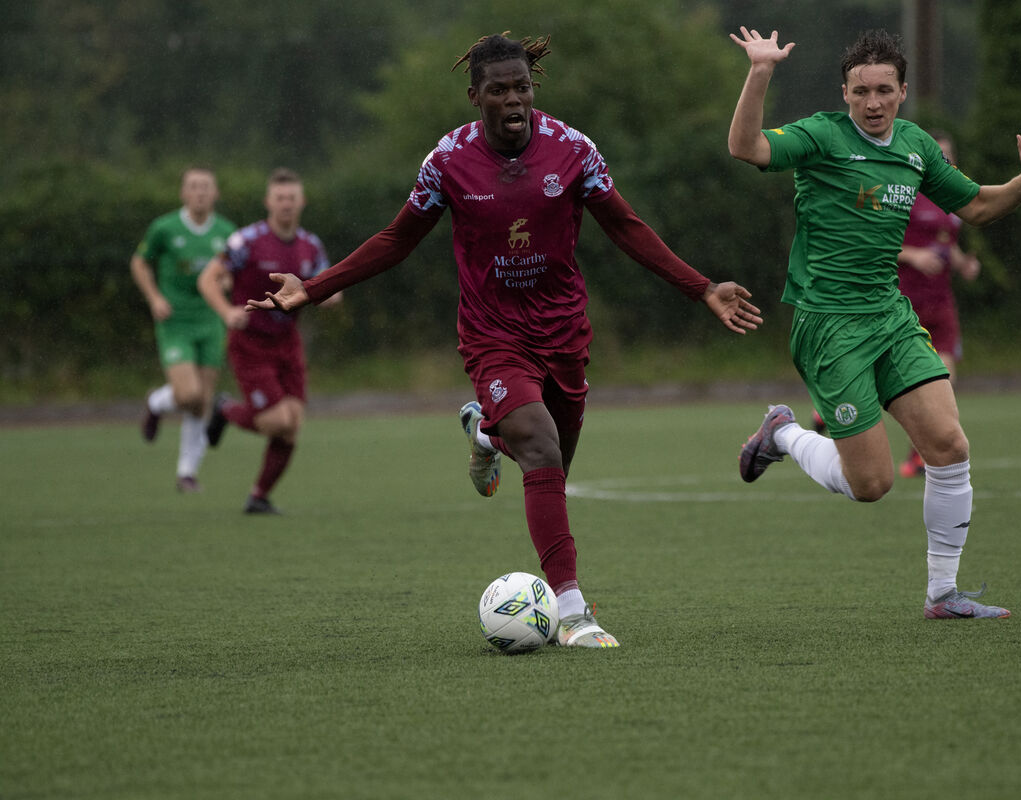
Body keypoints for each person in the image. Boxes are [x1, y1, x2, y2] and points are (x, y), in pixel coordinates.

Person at [244, 33, 763, 647]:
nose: (513, 98)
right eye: (498, 90)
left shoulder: (572, 149)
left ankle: (485, 433)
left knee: (553, 467)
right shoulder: (448, 161)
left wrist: (700, 287)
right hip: (492, 334)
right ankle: (574, 615)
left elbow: (625, 226)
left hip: (564, 330)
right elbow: (395, 239)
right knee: (541, 450)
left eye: (521, 87)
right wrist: (314, 286)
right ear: (476, 97)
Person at [727, 27, 1021, 619]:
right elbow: (746, 147)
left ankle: (943, 595)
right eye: (862, 92)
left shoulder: (915, 147)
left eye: (885, 90)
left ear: (903, 91)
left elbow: (979, 207)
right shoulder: (819, 135)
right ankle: (782, 432)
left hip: (890, 316)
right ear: (846, 93)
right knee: (872, 484)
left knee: (949, 444)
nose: (874, 102)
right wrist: (760, 71)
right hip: (830, 326)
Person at [198, 168, 339, 514]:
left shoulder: (310, 245)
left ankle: (258, 496)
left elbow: (327, 285)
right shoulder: (246, 242)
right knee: (277, 421)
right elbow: (207, 280)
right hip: (250, 343)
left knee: (292, 425)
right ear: (268, 202)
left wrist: (328, 294)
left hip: (287, 343)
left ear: (301, 201)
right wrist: (226, 312)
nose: (286, 203)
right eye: (280, 198)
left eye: (292, 197)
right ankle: (225, 410)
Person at [131, 166, 237, 493]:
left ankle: (187, 473)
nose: (200, 192)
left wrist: (227, 282)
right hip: (175, 321)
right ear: (183, 193)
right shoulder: (165, 228)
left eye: (206, 186)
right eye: (193, 186)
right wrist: (154, 297)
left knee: (202, 401)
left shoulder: (227, 232)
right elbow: (139, 262)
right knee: (188, 395)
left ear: (216, 193)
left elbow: (232, 274)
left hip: (210, 322)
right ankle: (157, 403)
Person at [895, 131, 981, 478]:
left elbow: (947, 244)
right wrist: (913, 256)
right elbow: (877, 244)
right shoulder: (902, 194)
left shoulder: (952, 201)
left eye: (948, 155)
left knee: (944, 381)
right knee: (904, 386)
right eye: (938, 154)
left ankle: (919, 455)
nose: (943, 160)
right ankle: (830, 411)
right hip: (904, 304)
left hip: (941, 303)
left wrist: (963, 264)